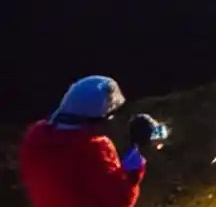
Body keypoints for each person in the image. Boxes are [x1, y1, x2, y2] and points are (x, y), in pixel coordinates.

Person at [20, 76, 147, 207]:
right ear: (98, 118)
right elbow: (120, 201)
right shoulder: (92, 150)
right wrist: (134, 169)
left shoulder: (36, 142)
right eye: (111, 114)